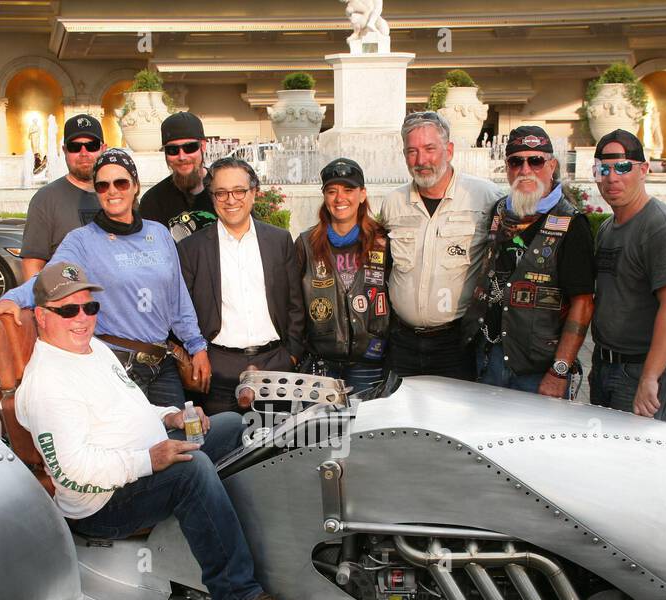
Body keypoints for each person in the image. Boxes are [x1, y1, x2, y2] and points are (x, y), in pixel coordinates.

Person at [14, 261, 300, 600]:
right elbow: (73, 471)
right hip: (101, 503)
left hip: (145, 459)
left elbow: (130, 407)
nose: (82, 318)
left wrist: (170, 417)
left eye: (90, 307)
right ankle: (235, 595)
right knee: (191, 471)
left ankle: (271, 547)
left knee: (232, 425)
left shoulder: (91, 348)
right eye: (68, 310)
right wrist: (149, 460)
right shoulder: (47, 384)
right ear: (41, 316)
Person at [0, 149, 210, 408]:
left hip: (163, 363)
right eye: (103, 185)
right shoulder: (82, 241)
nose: (112, 191)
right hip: (117, 366)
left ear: (135, 186)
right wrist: (12, 299)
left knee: (179, 430)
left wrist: (197, 346)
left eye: (121, 183)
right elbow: (50, 279)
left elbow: (178, 299)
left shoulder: (158, 234)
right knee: (132, 433)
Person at [467, 126, 594, 397]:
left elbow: (583, 303)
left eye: (535, 161)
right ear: (507, 168)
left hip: (538, 369)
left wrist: (560, 370)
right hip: (489, 359)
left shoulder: (572, 223)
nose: (525, 170)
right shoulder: (499, 212)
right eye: (516, 161)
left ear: (552, 166)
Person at [377, 111, 504, 380]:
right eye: (412, 151)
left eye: (429, 149)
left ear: (449, 150)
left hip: (457, 344)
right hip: (402, 343)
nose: (421, 160)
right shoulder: (393, 204)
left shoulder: (485, 197)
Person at [177, 157, 306, 415]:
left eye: (239, 191)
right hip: (217, 372)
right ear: (212, 197)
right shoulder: (191, 249)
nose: (231, 200)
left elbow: (295, 304)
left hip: (275, 368)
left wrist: (290, 356)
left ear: (254, 193)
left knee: (278, 440)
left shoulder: (279, 241)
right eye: (221, 193)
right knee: (224, 440)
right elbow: (182, 310)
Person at [588, 129, 666, 422]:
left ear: (644, 170)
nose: (612, 178)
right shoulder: (607, 228)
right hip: (606, 364)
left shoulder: (662, 229)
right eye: (603, 169)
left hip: (642, 370)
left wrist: (650, 376)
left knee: (634, 451)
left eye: (623, 167)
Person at [294, 157, 391, 393]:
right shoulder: (306, 244)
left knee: (366, 418)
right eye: (332, 191)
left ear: (362, 194)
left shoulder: (382, 242)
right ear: (324, 196)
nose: (340, 198)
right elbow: (293, 303)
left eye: (348, 190)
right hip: (321, 362)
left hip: (369, 360)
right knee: (319, 419)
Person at [20, 113, 104, 280]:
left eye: (91, 146)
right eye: (75, 147)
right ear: (64, 150)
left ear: (103, 148)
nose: (84, 153)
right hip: (69, 294)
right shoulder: (46, 199)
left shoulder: (119, 193)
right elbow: (32, 264)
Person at [139, 112, 215, 227]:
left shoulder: (227, 192)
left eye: (190, 147)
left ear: (203, 146)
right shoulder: (153, 201)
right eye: (173, 150)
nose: (182, 157)